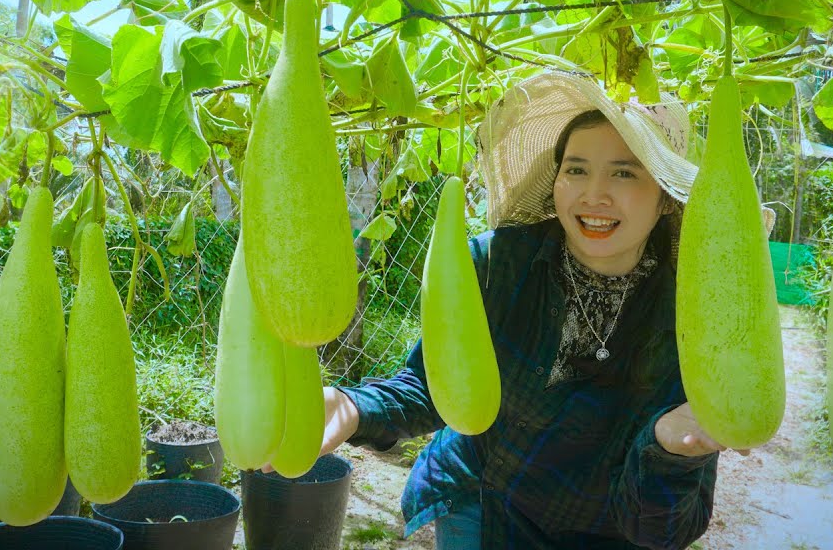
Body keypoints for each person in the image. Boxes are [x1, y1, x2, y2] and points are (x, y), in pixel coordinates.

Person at [308, 70, 764, 549]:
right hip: (481, 499)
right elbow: (433, 384)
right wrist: (354, 406)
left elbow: (661, 531)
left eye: (625, 172)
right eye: (576, 168)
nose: (594, 194)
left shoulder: (695, 316)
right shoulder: (495, 262)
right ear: (556, 180)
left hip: (602, 530)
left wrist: (669, 450)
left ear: (666, 198)